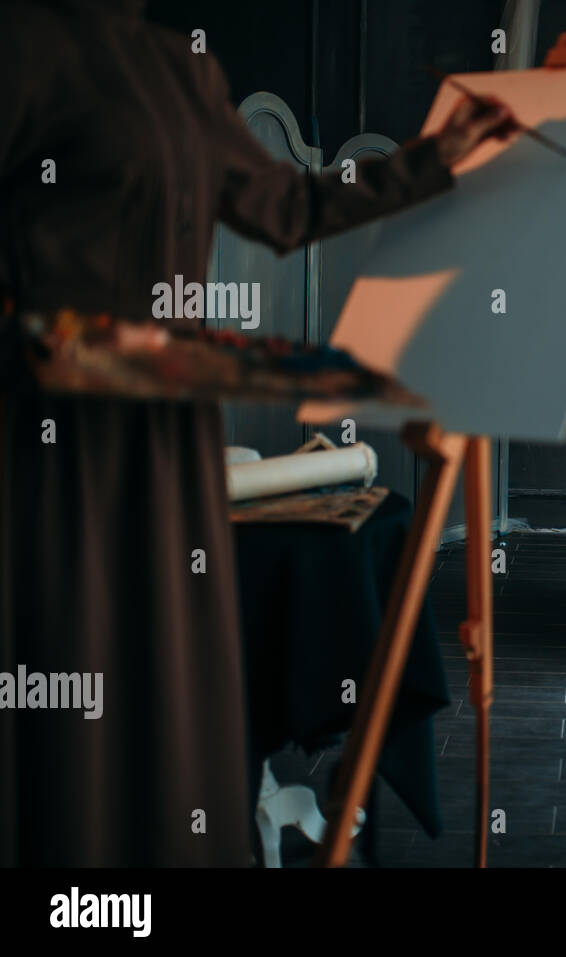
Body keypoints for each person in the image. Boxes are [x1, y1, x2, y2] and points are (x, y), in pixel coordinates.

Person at [0, 0, 518, 865]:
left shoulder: (181, 67)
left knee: (163, 691)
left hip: (167, 446)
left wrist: (441, 154)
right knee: (69, 673)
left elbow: (287, 207)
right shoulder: (20, 41)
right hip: (53, 444)